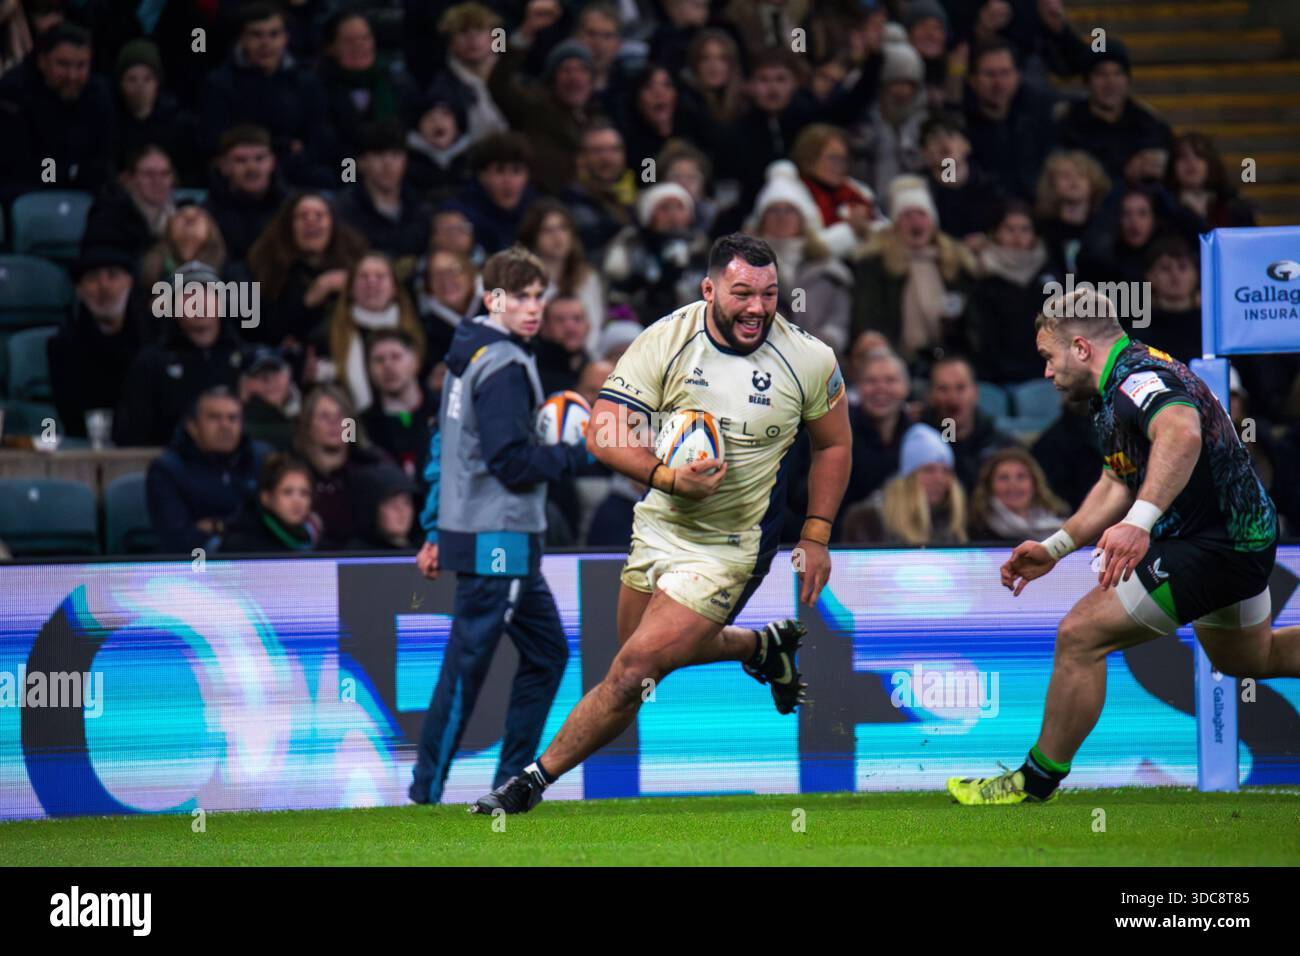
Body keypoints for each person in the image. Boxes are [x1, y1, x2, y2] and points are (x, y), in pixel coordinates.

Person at [469, 234, 853, 814]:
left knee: (630, 673)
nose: (757, 308)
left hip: (731, 546)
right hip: (658, 524)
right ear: (709, 290)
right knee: (640, 655)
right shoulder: (667, 339)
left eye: (770, 294)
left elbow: (834, 445)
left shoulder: (810, 358)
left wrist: (817, 534)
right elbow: (604, 431)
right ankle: (761, 647)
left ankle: (527, 785)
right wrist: (671, 478)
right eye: (742, 293)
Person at [950, 286, 1300, 806]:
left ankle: (1033, 782)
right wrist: (1056, 547)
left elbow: (1181, 435)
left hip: (1218, 546)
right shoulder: (1118, 384)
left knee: (1079, 636)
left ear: (1081, 349)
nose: (1046, 373)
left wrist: (1140, 523)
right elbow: (1117, 480)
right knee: (1253, 656)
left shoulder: (1137, 379)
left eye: (1049, 357)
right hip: (1238, 541)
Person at [408, 247, 591, 806]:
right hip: (500, 540)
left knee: (546, 652)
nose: (534, 308)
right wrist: (581, 453)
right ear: (495, 300)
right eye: (522, 298)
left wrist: (436, 528)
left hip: (484, 535)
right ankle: (426, 792)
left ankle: (510, 783)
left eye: (540, 296)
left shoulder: (468, 353)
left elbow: (444, 447)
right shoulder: (507, 364)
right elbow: (510, 463)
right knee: (468, 669)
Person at [198, 1, 338, 188]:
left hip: (297, 171)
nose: (266, 43)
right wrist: (283, 146)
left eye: (274, 34)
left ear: (286, 38)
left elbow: (321, 137)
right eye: (256, 35)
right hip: (243, 173)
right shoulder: (219, 84)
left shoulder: (306, 81)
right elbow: (215, 141)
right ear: (242, 40)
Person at [114, 261, 249, 447]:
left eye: (207, 293)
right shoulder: (151, 363)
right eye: (188, 295)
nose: (198, 301)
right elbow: (132, 434)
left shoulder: (245, 359)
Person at [145, 386, 270, 554]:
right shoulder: (167, 470)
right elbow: (178, 539)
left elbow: (275, 524)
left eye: (233, 418)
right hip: (193, 566)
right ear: (192, 426)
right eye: (214, 418)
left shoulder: (262, 460)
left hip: (258, 563)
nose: (225, 425)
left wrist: (217, 526)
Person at [0, 22, 117, 197]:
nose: (72, 76)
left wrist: (77, 172)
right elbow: (21, 164)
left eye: (81, 66)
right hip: (28, 191)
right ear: (42, 61)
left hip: (86, 191)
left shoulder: (98, 93)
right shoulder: (14, 93)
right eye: (63, 64)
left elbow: (105, 157)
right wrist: (71, 172)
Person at [48, 247, 150, 439]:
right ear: (79, 290)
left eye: (113, 276)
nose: (104, 286)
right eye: (93, 278)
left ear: (129, 282)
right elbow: (71, 413)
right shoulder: (63, 346)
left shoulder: (152, 339)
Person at [320, 252, 426, 410]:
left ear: (394, 288)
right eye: (363, 277)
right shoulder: (325, 334)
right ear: (350, 289)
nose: (371, 282)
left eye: (380, 276)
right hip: (351, 424)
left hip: (409, 420)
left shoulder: (417, 328)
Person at [840, 422, 968, 545]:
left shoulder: (952, 522)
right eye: (929, 470)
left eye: (946, 471)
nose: (939, 478)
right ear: (908, 478)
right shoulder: (870, 522)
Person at [335, 121, 432, 262]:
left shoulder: (421, 208)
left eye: (396, 154)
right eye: (378, 154)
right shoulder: (343, 210)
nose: (388, 163)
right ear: (362, 162)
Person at [920, 355, 1019, 492]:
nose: (952, 398)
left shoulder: (1001, 445)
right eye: (943, 389)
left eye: (960, 388)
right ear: (931, 396)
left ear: (975, 392)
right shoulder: (919, 446)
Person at [358, 330, 439, 482]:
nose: (388, 366)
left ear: (415, 361)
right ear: (368, 369)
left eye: (396, 356)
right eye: (379, 360)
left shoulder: (443, 411)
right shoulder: (359, 425)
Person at [204, 125, 288, 265]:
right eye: (241, 160)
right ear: (224, 166)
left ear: (272, 162)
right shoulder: (207, 215)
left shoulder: (291, 208)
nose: (252, 168)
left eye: (260, 158)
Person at [221, 453, 317, 553]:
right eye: (287, 492)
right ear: (266, 498)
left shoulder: (316, 542)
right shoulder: (241, 545)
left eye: (304, 493)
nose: (297, 501)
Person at [968, 446, 1069, 541]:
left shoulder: (1063, 522)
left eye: (1021, 476)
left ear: (1034, 483)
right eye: (1004, 478)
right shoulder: (977, 529)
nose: (1013, 485)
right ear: (989, 486)